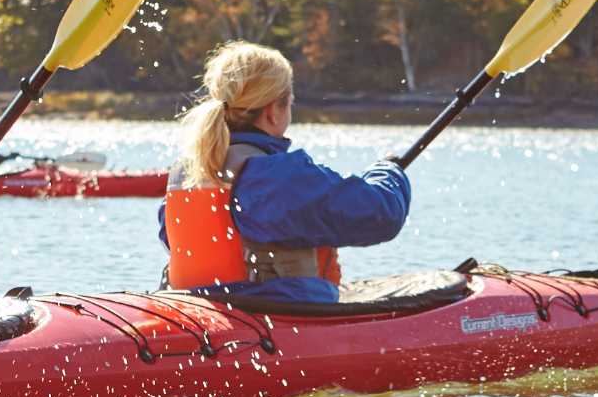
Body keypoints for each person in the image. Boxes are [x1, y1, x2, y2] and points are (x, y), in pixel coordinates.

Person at [159, 41, 410, 303]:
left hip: (197, 312)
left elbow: (170, 237)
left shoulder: (188, 172)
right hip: (274, 319)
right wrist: (389, 171)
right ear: (272, 113)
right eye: (289, 103)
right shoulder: (274, 177)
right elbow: (382, 214)